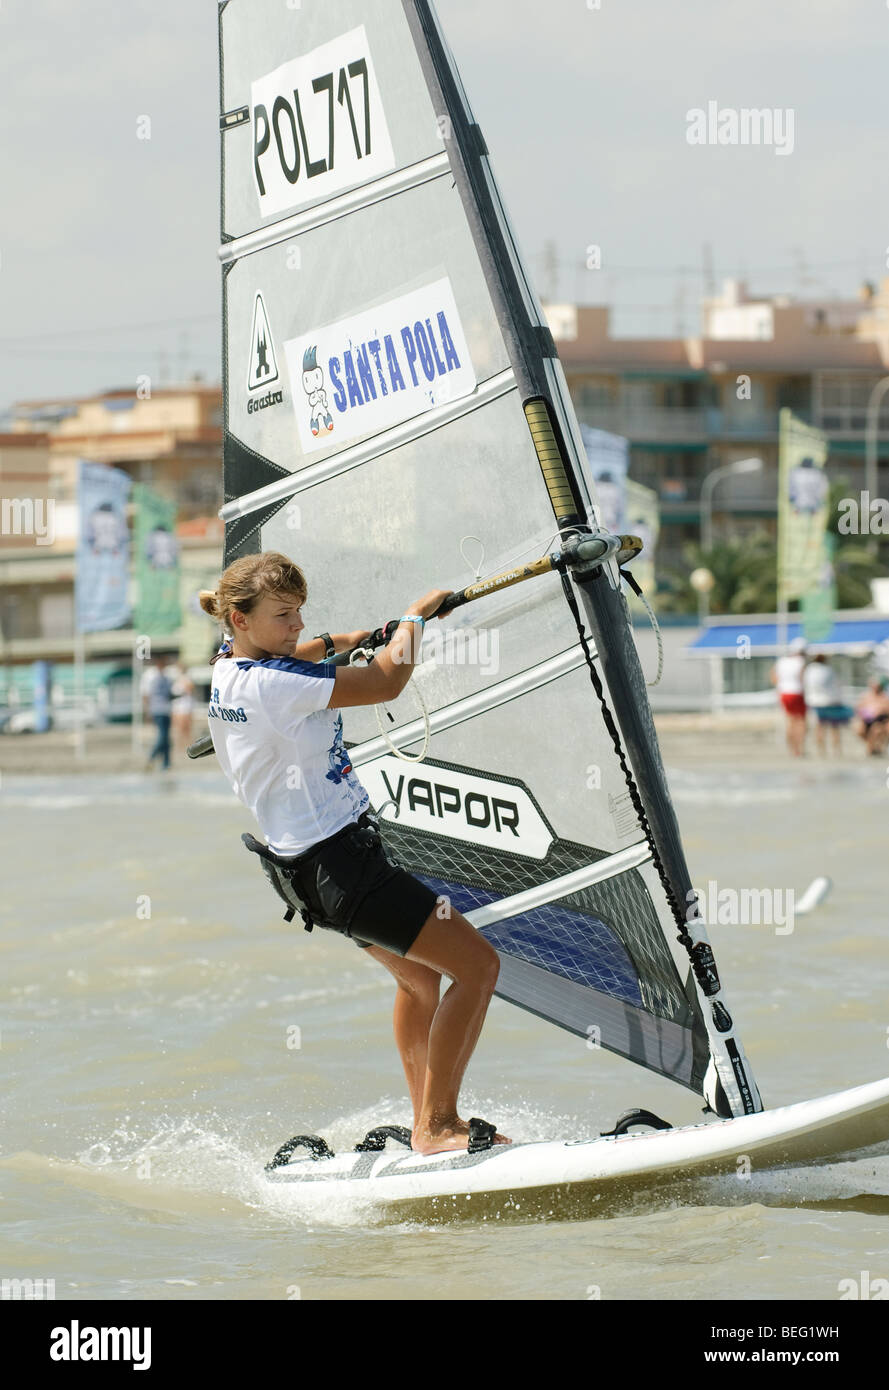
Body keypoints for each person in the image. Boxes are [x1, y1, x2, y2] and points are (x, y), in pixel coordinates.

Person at [199, 551, 509, 1157]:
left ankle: (426, 1117)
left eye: (298, 614)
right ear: (239, 618)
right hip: (344, 867)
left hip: (306, 876)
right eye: (282, 615)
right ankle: (438, 1125)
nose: (295, 627)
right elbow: (387, 682)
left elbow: (322, 646)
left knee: (421, 983)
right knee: (477, 967)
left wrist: (370, 635)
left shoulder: (228, 669)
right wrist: (416, 616)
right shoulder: (273, 685)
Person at [802, 654, 852, 756]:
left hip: (815, 702)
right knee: (834, 726)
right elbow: (836, 685)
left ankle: (821, 751)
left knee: (820, 726)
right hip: (830, 701)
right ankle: (837, 750)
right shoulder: (828, 670)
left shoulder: (809, 670)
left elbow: (806, 685)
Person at [771, 636, 807, 757]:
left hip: (784, 693)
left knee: (790, 721)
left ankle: (792, 750)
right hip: (797, 692)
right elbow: (802, 679)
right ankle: (800, 750)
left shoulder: (782, 661)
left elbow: (773, 676)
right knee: (800, 722)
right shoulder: (800, 662)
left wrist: (780, 687)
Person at [143, 655, 174, 771]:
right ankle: (151, 757)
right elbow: (146, 695)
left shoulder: (167, 677)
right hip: (157, 710)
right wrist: (148, 711)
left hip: (166, 709)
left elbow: (169, 694)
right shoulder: (150, 676)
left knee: (166, 738)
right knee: (162, 736)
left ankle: (166, 763)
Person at [853, 676, 889, 757]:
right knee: (859, 728)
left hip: (881, 720)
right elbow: (858, 708)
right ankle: (872, 746)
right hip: (867, 719)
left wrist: (880, 712)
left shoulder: (885, 697)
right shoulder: (866, 696)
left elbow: (887, 710)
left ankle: (873, 748)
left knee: (877, 729)